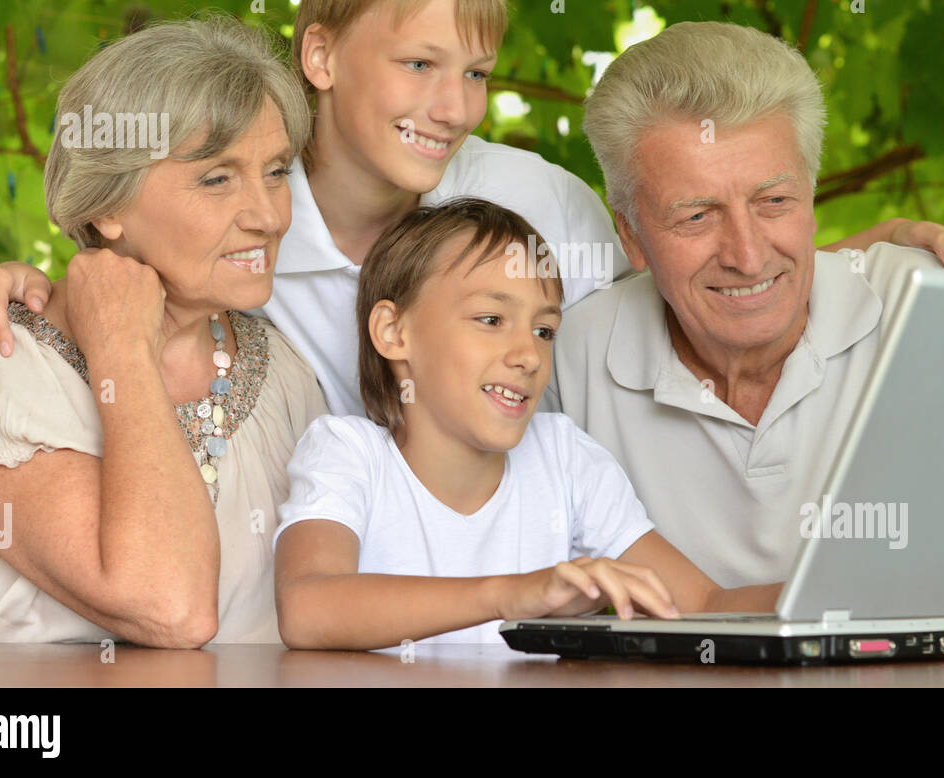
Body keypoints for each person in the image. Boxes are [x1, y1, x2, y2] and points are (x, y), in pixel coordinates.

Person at [0, 0, 944, 419]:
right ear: (322, 53)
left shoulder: (530, 200)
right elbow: (118, 273)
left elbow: (683, 300)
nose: (451, 106)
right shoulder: (238, 214)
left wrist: (846, 255)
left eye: (474, 72)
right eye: (420, 63)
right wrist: (21, 282)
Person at [545, 20, 944, 640]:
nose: (747, 253)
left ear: (813, 198)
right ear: (630, 234)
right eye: (696, 215)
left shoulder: (926, 307)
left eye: (774, 203)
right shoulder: (568, 357)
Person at [0, 17, 328, 645]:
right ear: (108, 204)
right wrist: (124, 349)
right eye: (216, 178)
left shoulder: (285, 377)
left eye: (275, 171)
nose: (268, 216)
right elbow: (168, 605)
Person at [273, 198, 783, 649]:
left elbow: (702, 602)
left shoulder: (563, 457)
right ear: (393, 331)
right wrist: (515, 593)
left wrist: (833, 597)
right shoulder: (347, 453)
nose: (528, 355)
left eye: (544, 330)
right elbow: (307, 609)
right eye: (491, 320)